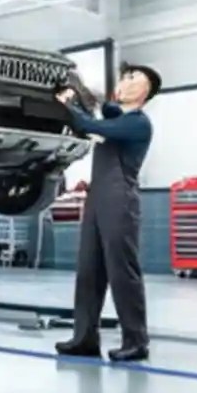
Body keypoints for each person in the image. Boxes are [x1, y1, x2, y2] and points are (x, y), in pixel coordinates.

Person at [54, 63, 161, 362]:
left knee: (122, 271)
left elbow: (91, 126)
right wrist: (80, 95)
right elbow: (101, 113)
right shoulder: (116, 116)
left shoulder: (139, 123)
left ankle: (136, 341)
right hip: (96, 198)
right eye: (124, 77)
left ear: (146, 91)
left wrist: (67, 105)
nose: (125, 81)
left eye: (133, 78)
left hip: (120, 200)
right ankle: (84, 337)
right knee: (88, 271)